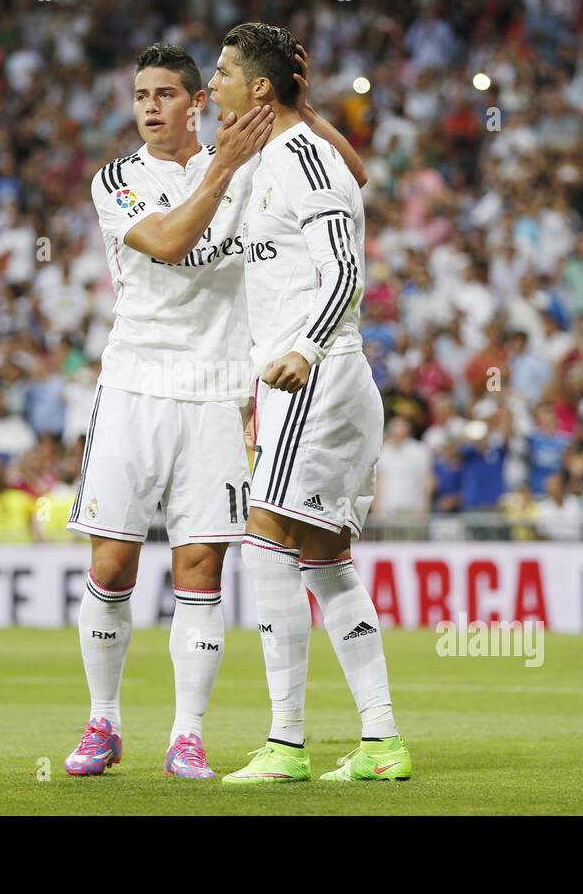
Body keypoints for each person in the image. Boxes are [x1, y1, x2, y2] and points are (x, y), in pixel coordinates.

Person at [64, 41, 365, 780]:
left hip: (219, 393)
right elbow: (169, 243)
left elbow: (351, 175)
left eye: (165, 94)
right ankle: (103, 721)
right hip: (134, 384)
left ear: (197, 102)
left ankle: (187, 736)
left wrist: (302, 109)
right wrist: (224, 168)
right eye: (141, 95)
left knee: (200, 567)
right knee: (112, 561)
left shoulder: (250, 157)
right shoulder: (119, 180)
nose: (150, 107)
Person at [209, 22, 409, 784]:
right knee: (327, 560)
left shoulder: (301, 157)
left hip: (315, 380)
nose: (213, 85)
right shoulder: (282, 156)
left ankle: (285, 744)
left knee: (265, 539)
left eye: (224, 73)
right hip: (306, 381)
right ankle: (381, 741)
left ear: (259, 87)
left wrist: (305, 349)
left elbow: (344, 270)